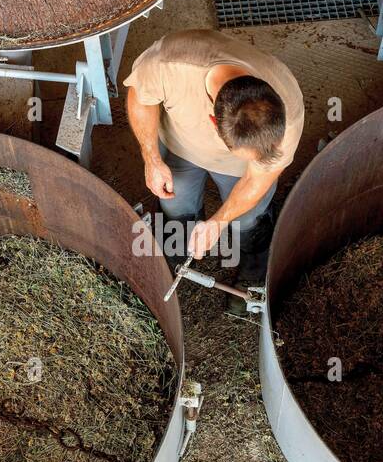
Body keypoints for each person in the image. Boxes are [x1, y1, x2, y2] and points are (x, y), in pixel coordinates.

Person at [123, 29, 303, 291]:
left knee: (249, 218)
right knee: (175, 205)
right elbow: (140, 96)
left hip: (239, 172)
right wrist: (151, 158)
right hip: (181, 146)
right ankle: (178, 253)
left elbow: (258, 176)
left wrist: (219, 221)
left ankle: (254, 270)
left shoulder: (288, 106)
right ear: (213, 122)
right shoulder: (168, 64)